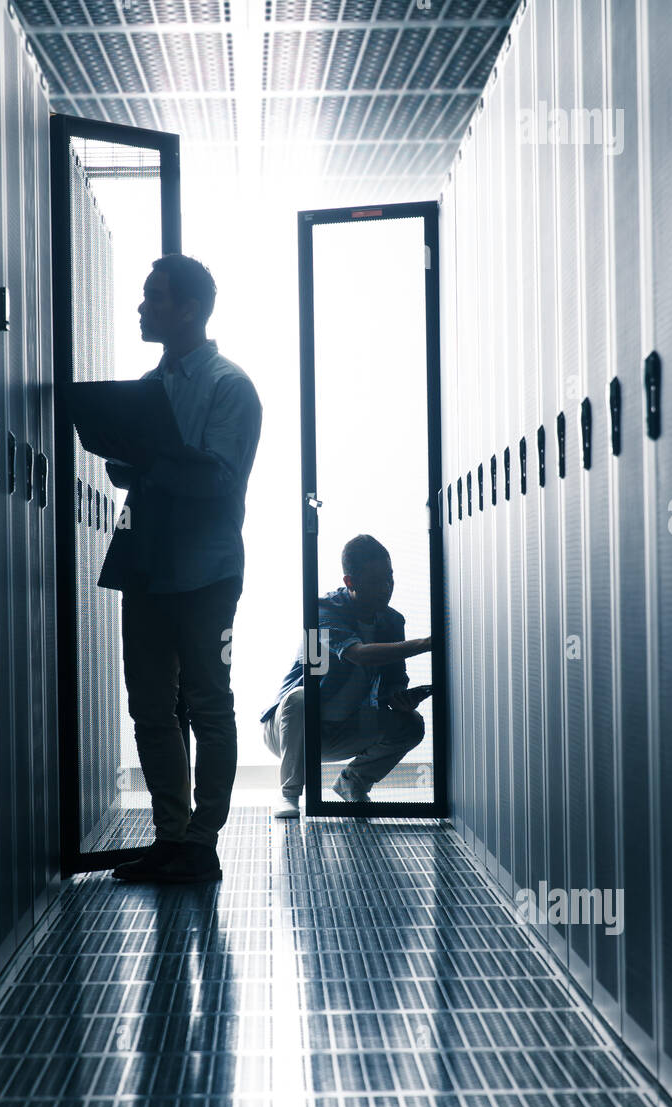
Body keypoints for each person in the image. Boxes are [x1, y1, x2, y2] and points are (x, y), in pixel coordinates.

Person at [98, 254, 262, 883]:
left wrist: (150, 459)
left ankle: (202, 843)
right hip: (147, 567)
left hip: (206, 573)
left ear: (189, 309)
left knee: (208, 703)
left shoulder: (229, 385)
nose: (143, 308)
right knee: (149, 707)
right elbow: (129, 470)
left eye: (155, 298)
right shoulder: (151, 383)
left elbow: (219, 480)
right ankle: (170, 836)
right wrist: (127, 454)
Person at [261, 534, 432, 817]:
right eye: (376, 581)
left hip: (340, 730)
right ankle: (288, 793)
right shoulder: (323, 609)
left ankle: (353, 783)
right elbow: (358, 653)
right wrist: (426, 644)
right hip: (291, 728)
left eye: (389, 578)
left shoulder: (392, 621)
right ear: (350, 582)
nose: (386, 588)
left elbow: (394, 679)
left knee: (411, 724)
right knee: (301, 697)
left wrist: (400, 698)